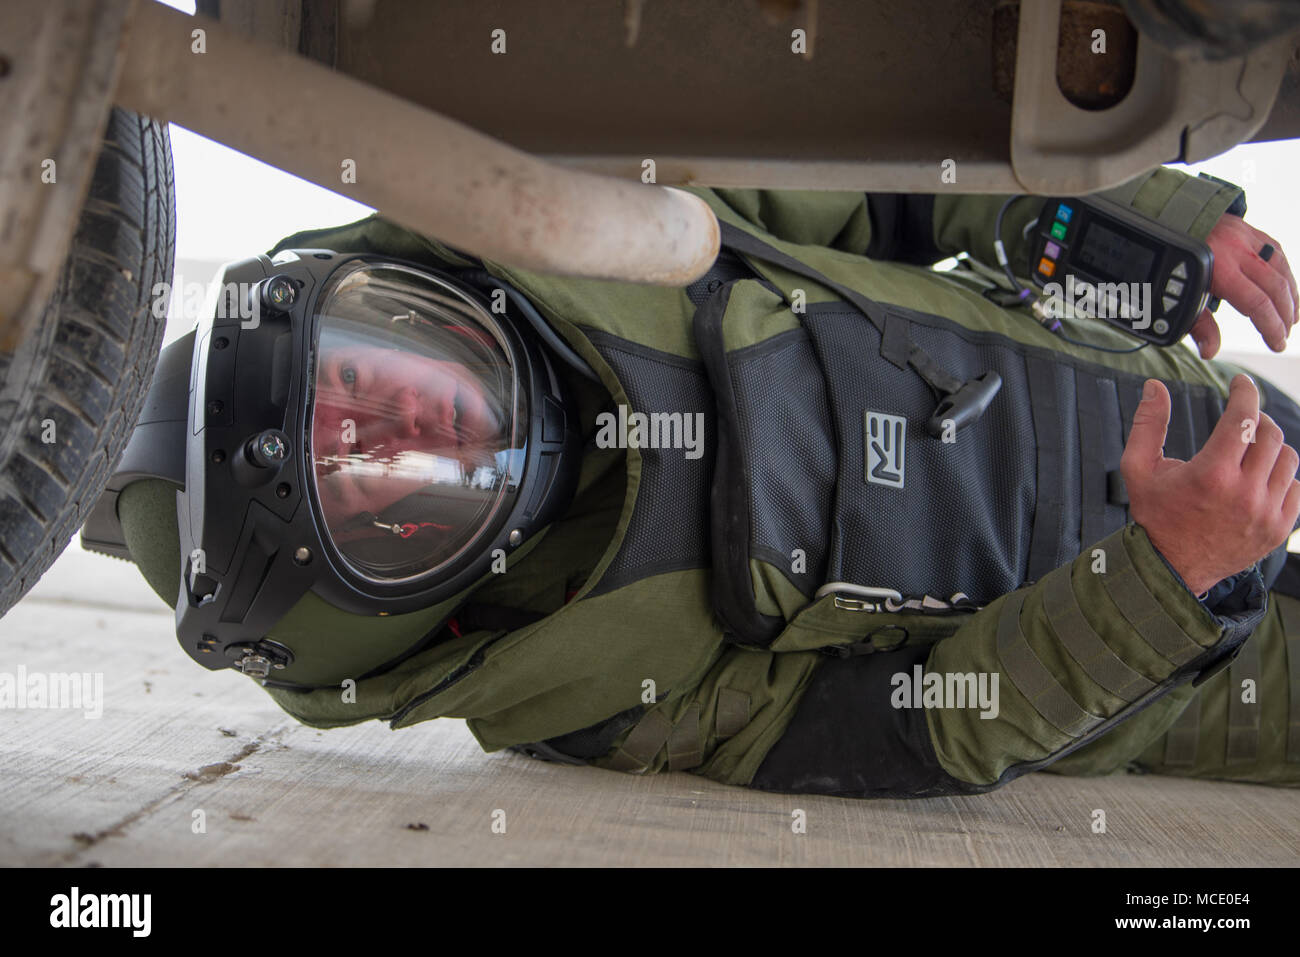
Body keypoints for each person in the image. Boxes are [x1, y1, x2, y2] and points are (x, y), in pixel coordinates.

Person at [85, 165, 1300, 797]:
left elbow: (889, 178)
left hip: (1227, 420)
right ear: (396, 605)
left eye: (372, 356)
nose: (416, 416)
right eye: (373, 478)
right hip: (1213, 662)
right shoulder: (597, 698)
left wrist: (1142, 227)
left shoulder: (580, 233)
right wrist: (1162, 579)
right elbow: (928, 734)